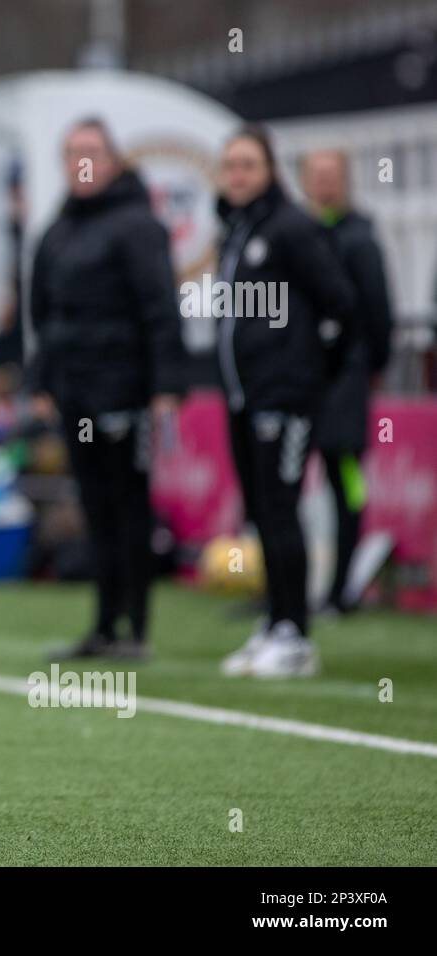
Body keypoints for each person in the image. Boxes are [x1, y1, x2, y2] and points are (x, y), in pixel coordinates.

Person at [26, 117, 187, 660]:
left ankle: (136, 629)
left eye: (92, 152)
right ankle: (102, 626)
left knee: (129, 508)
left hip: (126, 392)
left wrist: (165, 387)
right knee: (94, 509)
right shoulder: (60, 228)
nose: (82, 162)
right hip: (77, 395)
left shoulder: (137, 225)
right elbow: (43, 314)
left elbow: (161, 310)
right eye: (72, 153)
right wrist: (43, 381)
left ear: (114, 160)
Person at [213, 126, 357, 679]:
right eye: (230, 165)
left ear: (270, 170)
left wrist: (310, 374)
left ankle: (296, 632)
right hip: (243, 399)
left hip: (285, 400)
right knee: (260, 514)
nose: (238, 175)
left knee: (282, 510)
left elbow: (342, 305)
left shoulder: (292, 228)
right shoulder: (234, 230)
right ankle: (275, 621)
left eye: (248, 164)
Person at [300, 149, 393, 614]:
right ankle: (291, 588)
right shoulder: (301, 236)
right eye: (316, 175)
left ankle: (342, 591)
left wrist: (370, 365)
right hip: (307, 380)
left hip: (346, 382)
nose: (324, 184)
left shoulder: (359, 238)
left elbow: (379, 311)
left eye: (331, 175)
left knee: (347, 483)